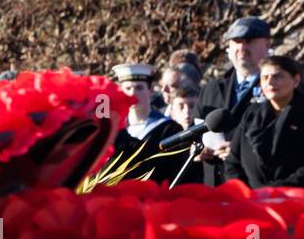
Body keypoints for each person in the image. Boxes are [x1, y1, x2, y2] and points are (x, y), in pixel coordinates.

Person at [198, 17, 273, 186]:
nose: (241, 47)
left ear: (267, 45)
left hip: (254, 185)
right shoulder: (211, 89)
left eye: (249, 41)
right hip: (215, 185)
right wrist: (197, 148)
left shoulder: (279, 88)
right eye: (236, 41)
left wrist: (240, 149)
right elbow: (195, 129)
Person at [225, 55, 304, 189]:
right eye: (264, 77)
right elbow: (233, 161)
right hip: (250, 202)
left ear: (296, 80)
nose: (270, 82)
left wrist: (275, 191)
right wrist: (243, 192)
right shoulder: (251, 114)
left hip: (293, 200)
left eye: (277, 76)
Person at [110, 64, 186, 184]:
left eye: (139, 88)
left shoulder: (169, 129)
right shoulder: (114, 130)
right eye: (128, 88)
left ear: (150, 90)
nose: (133, 93)